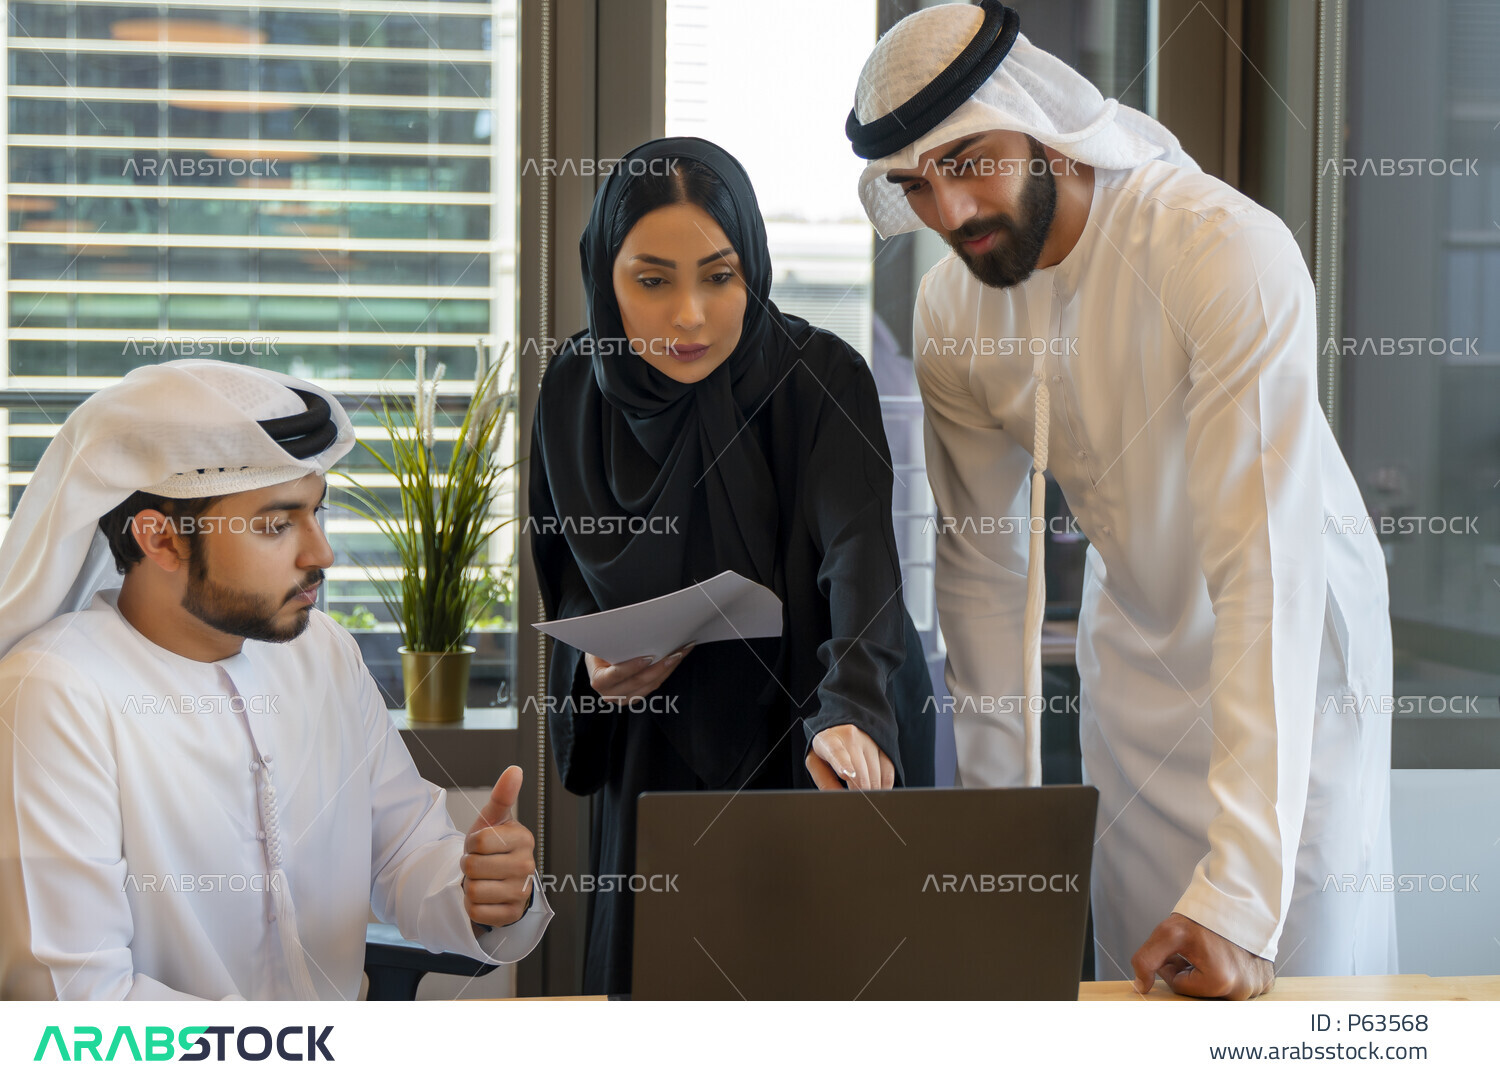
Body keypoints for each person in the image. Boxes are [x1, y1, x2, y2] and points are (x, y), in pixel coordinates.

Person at [846, 1, 1395, 999]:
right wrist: (998, 839)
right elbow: (982, 573)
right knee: (1141, 981)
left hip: (1293, 644)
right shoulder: (949, 309)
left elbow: (1261, 567)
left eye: (970, 160)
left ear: (1041, 122)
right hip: (1135, 653)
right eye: (917, 185)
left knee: (1296, 995)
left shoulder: (1223, 249)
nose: (952, 213)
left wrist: (1237, 894)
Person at [0, 360, 550, 999]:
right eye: (275, 524)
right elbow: (79, 1006)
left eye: (316, 512)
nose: (320, 553)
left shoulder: (323, 654)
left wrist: (480, 890)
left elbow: (405, 852)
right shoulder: (53, 693)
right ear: (161, 540)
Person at [530, 136, 936, 995]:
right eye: (652, 280)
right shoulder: (572, 391)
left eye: (719, 276)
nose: (690, 315)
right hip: (652, 760)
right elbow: (564, 580)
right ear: (603, 274)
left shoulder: (819, 376)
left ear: (753, 265)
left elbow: (861, 555)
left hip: (805, 741)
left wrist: (856, 708)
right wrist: (588, 672)